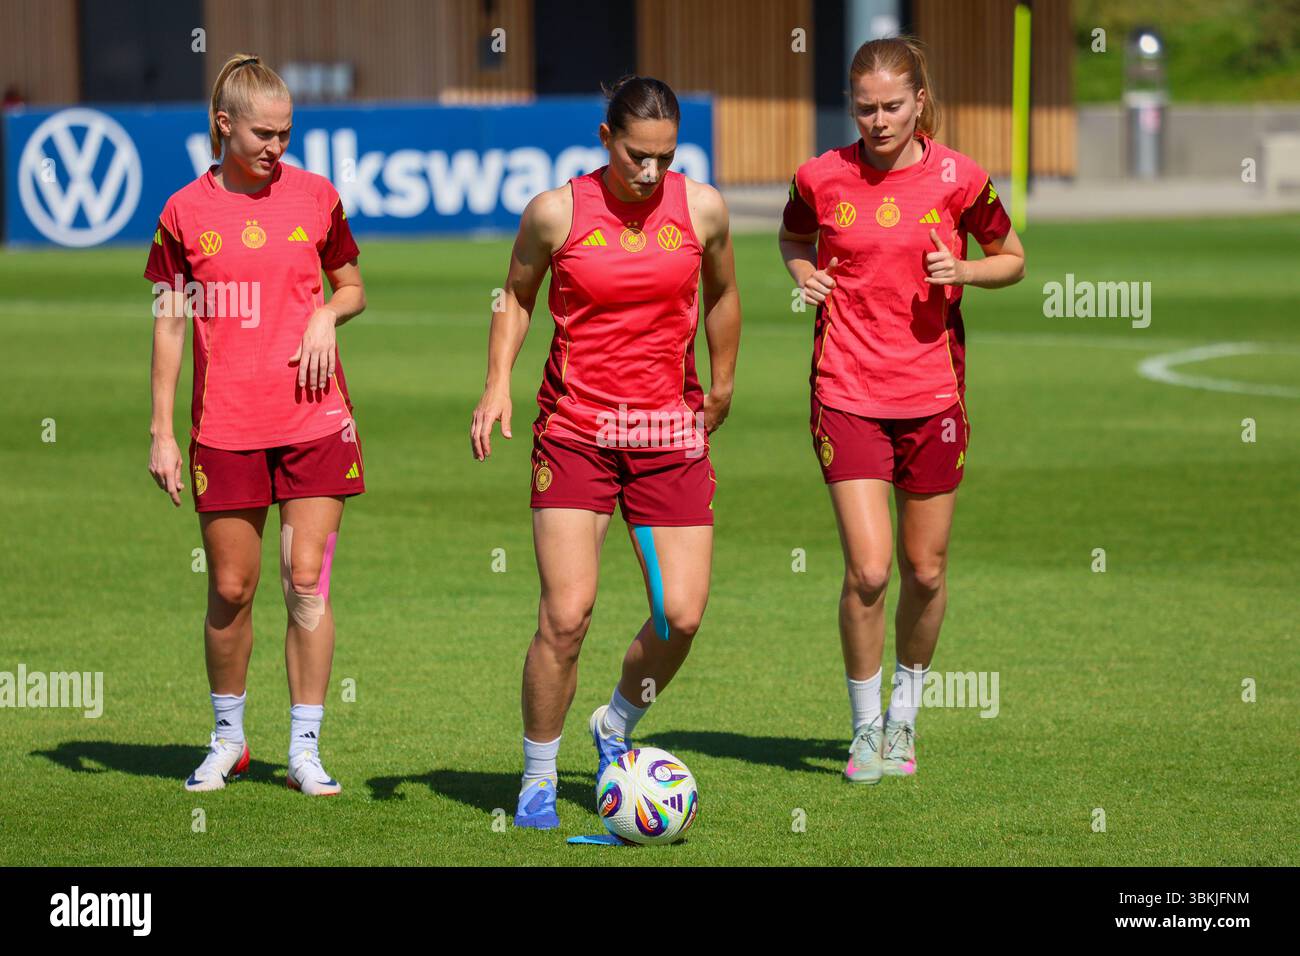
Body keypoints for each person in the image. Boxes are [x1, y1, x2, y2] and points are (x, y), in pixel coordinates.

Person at [470, 76, 741, 830]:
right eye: (635, 155)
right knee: (567, 613)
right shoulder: (556, 212)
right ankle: (537, 778)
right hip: (576, 432)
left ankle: (615, 725)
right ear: (604, 138)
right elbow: (515, 296)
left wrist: (721, 383)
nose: (650, 172)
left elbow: (722, 293)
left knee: (680, 615)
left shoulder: (703, 209)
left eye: (664, 156)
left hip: (667, 433)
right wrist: (498, 385)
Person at [779, 37, 1024, 784]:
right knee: (871, 570)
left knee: (925, 567)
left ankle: (903, 721)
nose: (878, 121)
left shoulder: (960, 178)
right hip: (846, 391)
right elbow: (793, 231)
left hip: (932, 398)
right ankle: (862, 730)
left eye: (892, 106)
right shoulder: (821, 176)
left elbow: (1012, 256)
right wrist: (803, 271)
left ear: (920, 101)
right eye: (865, 108)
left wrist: (969, 270)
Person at [145, 53, 366, 796]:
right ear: (224, 126)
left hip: (315, 424)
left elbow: (353, 285)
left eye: (287, 133)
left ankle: (304, 749)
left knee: (307, 582)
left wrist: (328, 316)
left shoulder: (317, 198)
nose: (278, 147)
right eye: (264, 134)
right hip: (226, 430)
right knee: (232, 590)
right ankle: (229, 740)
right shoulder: (183, 212)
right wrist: (162, 431)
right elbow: (170, 322)